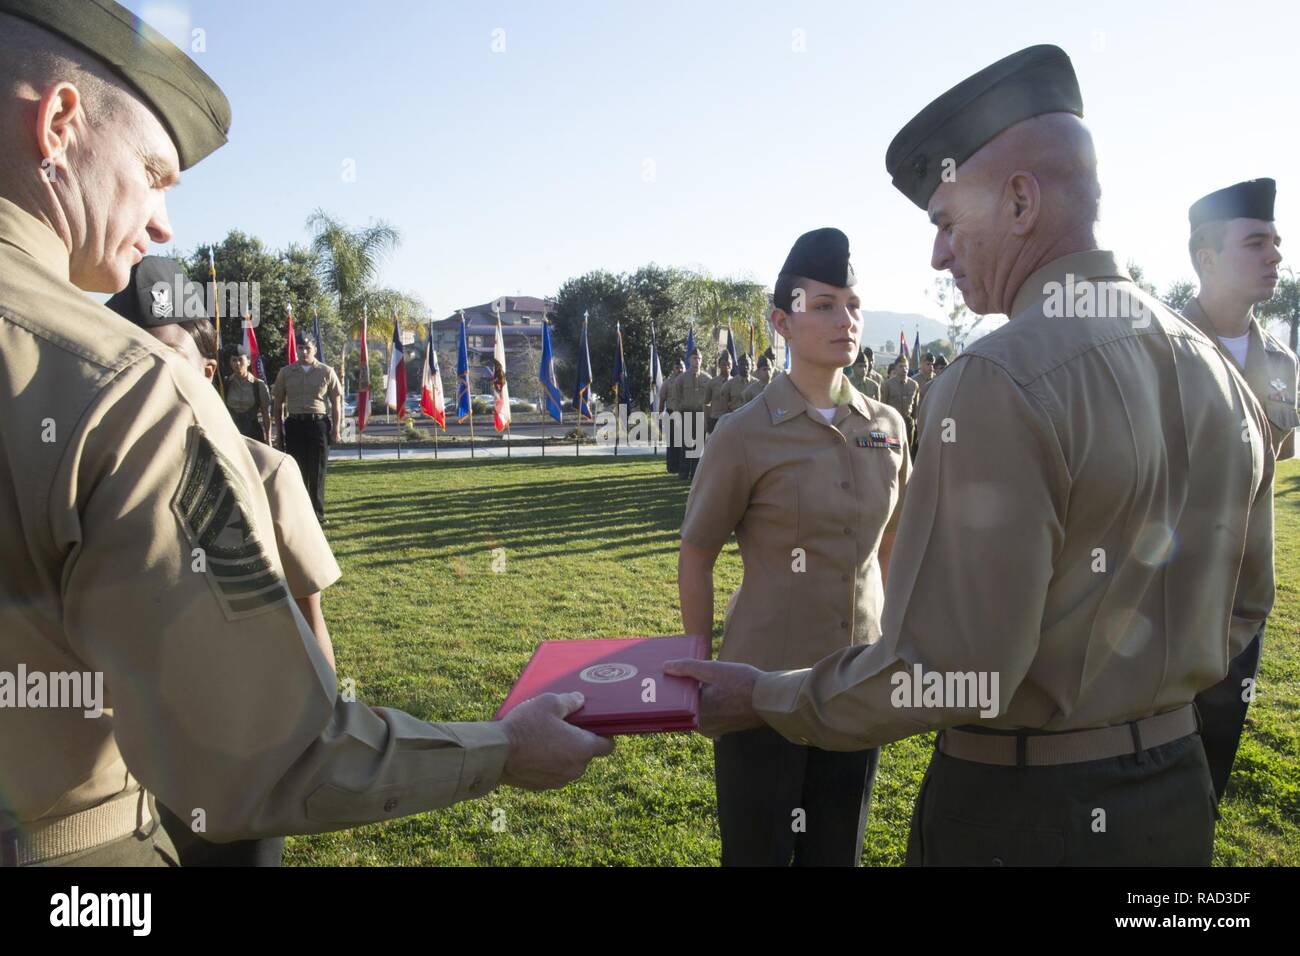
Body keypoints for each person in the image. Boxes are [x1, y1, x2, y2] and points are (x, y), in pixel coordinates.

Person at [0, 0, 612, 868]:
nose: (164, 221)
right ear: (61, 124)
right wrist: (503, 749)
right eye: (153, 172)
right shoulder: (117, 388)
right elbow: (269, 751)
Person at [667, 44, 1274, 866]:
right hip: (1175, 797)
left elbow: (958, 670)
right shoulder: (1217, 370)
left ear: (1020, 200)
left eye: (947, 222)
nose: (939, 255)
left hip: (1025, 814)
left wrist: (768, 693)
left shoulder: (998, 376)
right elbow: (1244, 609)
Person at [679, 228, 908, 866]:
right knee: (761, 855)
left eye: (854, 305)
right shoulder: (744, 434)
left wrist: (891, 641)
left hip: (853, 686)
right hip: (761, 690)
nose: (846, 319)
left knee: (836, 852)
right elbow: (696, 552)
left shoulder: (887, 428)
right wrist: (700, 671)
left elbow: (892, 541)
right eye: (825, 304)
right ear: (782, 321)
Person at [107, 256, 343, 865]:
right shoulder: (92, 479)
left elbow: (309, 622)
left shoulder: (268, 473)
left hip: (239, 769)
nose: (141, 369)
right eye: (124, 350)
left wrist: (308, 742)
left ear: (207, 369)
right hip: (117, 777)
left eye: (160, 351)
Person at [1181, 178, 1297, 801]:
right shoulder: (1156, 351)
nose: (1276, 255)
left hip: (1241, 611)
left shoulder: (1281, 363)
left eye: (1277, 242)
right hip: (1159, 606)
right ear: (1206, 257)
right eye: (1257, 242)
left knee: (1209, 784)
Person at [272, 335, 341, 524]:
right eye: (300, 347)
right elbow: (277, 404)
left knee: (317, 471)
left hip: (317, 425)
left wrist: (336, 429)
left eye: (307, 348)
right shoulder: (285, 373)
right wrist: (279, 432)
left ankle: (317, 515)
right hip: (294, 425)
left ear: (315, 350)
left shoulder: (327, 372)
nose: (303, 352)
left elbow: (336, 402)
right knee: (297, 471)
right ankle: (299, 514)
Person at [668, 350, 711, 481]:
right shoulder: (681, 379)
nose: (696, 361)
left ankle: (695, 475)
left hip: (700, 414)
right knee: (686, 446)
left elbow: (711, 400)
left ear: (701, 360)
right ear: (689, 360)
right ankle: (684, 473)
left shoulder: (707, 379)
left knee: (699, 447)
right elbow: (675, 399)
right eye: (694, 358)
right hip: (685, 414)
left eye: (699, 358)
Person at [225, 338, 272, 443]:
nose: (237, 363)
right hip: (232, 433)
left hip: (253, 434)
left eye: (240, 360)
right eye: (234, 360)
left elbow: (265, 413)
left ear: (248, 362)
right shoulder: (225, 384)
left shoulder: (258, 385)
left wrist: (268, 438)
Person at [880, 358, 919, 450]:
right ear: (895, 368)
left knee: (909, 450)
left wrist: (915, 422)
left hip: (908, 422)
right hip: (892, 423)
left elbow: (915, 407)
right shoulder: (887, 385)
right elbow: (883, 405)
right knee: (894, 450)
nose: (904, 369)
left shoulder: (914, 385)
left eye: (906, 366)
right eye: (901, 366)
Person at [661, 358, 685, 474]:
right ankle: (672, 467)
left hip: (685, 414)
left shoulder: (688, 382)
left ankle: (682, 466)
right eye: (677, 367)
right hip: (671, 414)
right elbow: (662, 400)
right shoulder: (667, 383)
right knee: (672, 442)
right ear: (673, 369)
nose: (680, 369)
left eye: (682, 367)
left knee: (683, 442)